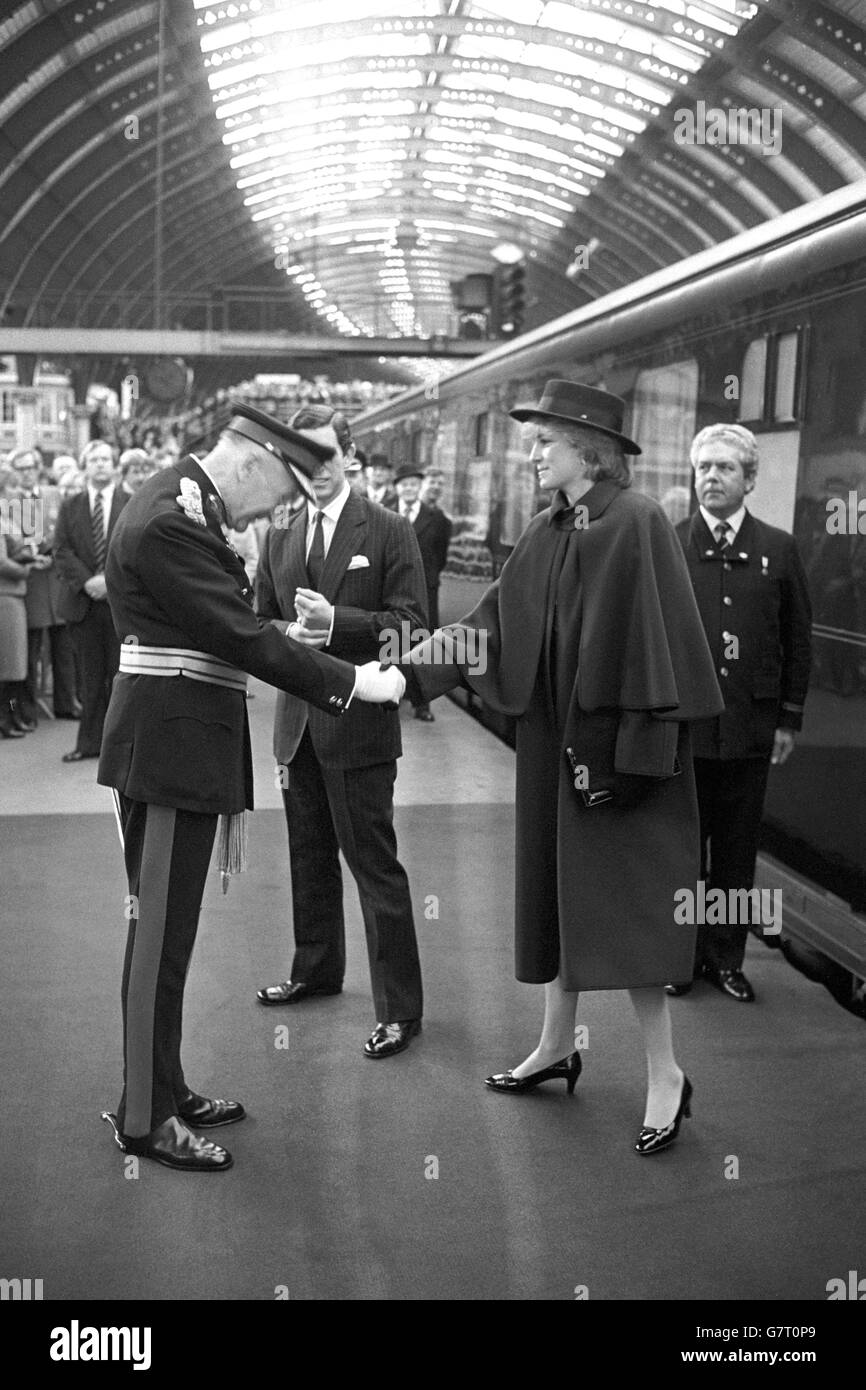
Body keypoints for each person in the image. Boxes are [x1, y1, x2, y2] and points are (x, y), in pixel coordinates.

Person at [404, 381, 723, 1154]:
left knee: (634, 915)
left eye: (545, 440)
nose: (532, 451)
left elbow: (668, 649)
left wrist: (637, 760)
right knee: (557, 898)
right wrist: (401, 673)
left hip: (624, 762)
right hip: (557, 753)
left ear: (589, 448)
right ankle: (556, 1044)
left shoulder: (636, 521)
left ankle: (666, 1077)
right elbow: (491, 630)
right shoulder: (549, 530)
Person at [97, 402, 405, 1173]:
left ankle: (163, 1085)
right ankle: (143, 1118)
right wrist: (351, 680)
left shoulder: (181, 505)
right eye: (280, 493)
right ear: (251, 464)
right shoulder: (171, 518)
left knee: (171, 941)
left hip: (179, 743)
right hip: (169, 752)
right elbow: (237, 633)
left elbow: (230, 621)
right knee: (157, 943)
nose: (278, 510)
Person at [255, 405, 427, 1059]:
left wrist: (340, 625)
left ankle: (400, 1010)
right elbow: (259, 622)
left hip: (359, 728)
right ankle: (316, 970)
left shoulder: (388, 529)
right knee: (308, 857)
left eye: (325, 457)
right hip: (298, 724)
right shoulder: (281, 534)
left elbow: (412, 626)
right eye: (302, 460)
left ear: (349, 456)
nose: (315, 471)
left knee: (374, 864)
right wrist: (288, 635)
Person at [667, 424, 812, 1003]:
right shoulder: (672, 545)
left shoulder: (779, 548)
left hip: (749, 732)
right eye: (704, 467)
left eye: (726, 468)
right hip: (685, 731)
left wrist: (789, 718)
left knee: (735, 851)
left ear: (749, 479)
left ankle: (725, 957)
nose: (712, 478)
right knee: (682, 849)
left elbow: (797, 640)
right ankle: (679, 958)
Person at [53, 440, 128, 759]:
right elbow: (62, 549)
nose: (100, 464)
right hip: (83, 604)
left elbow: (134, 547)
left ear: (113, 465)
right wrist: (87, 582)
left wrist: (107, 583)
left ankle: (120, 747)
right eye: (94, 459)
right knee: (90, 678)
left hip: (119, 604)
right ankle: (88, 744)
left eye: (105, 459)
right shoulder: (71, 505)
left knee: (120, 677)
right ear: (85, 466)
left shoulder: (132, 501)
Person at [6, 447, 79, 726]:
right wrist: (37, 548)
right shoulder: (11, 500)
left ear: (39, 468)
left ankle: (67, 703)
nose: (26, 473)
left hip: (55, 577)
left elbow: (64, 530)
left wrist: (51, 546)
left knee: (63, 646)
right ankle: (26, 710)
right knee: (31, 650)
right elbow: (21, 541)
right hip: (32, 579)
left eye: (30, 467)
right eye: (20, 468)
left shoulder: (52, 493)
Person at [393, 461, 453, 721]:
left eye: (413, 485)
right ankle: (391, 694)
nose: (409, 489)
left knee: (426, 644)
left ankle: (422, 703)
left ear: (420, 487)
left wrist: (426, 579)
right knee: (393, 641)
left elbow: (440, 557)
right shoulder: (384, 514)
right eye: (404, 485)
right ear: (397, 489)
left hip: (426, 591)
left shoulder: (437, 519)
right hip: (393, 589)